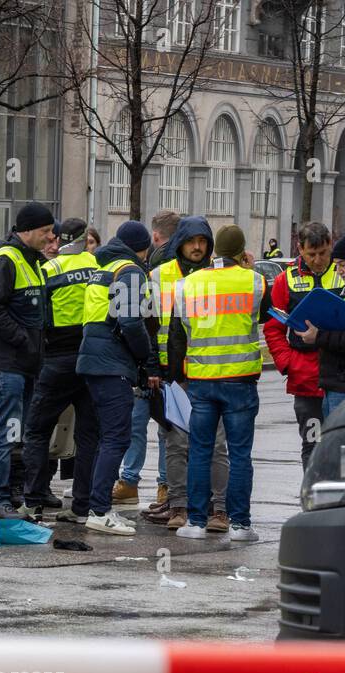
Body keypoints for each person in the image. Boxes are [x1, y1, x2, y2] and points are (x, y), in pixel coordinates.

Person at [172, 224, 269, 542]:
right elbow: (264, 316)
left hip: (201, 380)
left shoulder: (188, 284)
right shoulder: (254, 281)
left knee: (200, 451)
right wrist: (247, 268)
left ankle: (196, 523)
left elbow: (181, 328)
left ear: (214, 250)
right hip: (240, 380)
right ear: (241, 252)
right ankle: (240, 525)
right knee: (239, 454)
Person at [143, 216, 231, 531]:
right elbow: (147, 326)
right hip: (172, 374)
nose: (197, 247)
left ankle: (218, 509)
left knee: (215, 445)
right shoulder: (157, 276)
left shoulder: (218, 276)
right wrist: (153, 367)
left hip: (209, 371)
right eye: (191, 241)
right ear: (180, 242)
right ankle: (177, 505)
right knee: (176, 444)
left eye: (203, 241)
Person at [0, 202, 53, 520]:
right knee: (5, 433)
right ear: (28, 230)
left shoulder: (32, 260)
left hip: (23, 365)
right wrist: (22, 339)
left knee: (15, 434)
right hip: (5, 365)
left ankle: (7, 497)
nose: (50, 238)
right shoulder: (7, 259)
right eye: (46, 231)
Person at [78, 221, 156, 535]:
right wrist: (144, 356)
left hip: (93, 359)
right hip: (112, 364)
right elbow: (131, 322)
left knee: (105, 437)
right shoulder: (131, 271)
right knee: (117, 437)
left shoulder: (103, 268)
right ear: (144, 248)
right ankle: (99, 510)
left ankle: (96, 506)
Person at [20, 218, 99, 522]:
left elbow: (37, 315)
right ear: (84, 239)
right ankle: (82, 507)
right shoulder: (97, 266)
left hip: (56, 359)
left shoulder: (49, 270)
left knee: (37, 430)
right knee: (88, 435)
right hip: (90, 358)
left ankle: (33, 502)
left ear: (60, 239)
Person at [263, 222, 341, 470]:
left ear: (331, 245)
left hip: (343, 377)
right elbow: (273, 329)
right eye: (311, 254)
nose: (317, 260)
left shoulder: (344, 272)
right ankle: (312, 493)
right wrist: (288, 364)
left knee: (343, 447)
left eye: (323, 253)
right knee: (313, 445)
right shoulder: (285, 280)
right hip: (306, 382)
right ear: (300, 249)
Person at [119, 210, 181, 506]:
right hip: (173, 361)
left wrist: (147, 361)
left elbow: (144, 320)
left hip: (149, 358)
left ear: (155, 236)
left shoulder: (149, 270)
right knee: (168, 428)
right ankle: (164, 486)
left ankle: (130, 481)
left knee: (138, 424)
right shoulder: (188, 269)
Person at [296, 232, 345, 419]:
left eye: (343, 264)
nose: (339, 271)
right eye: (336, 266)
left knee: (343, 437)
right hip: (340, 382)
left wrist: (319, 336)